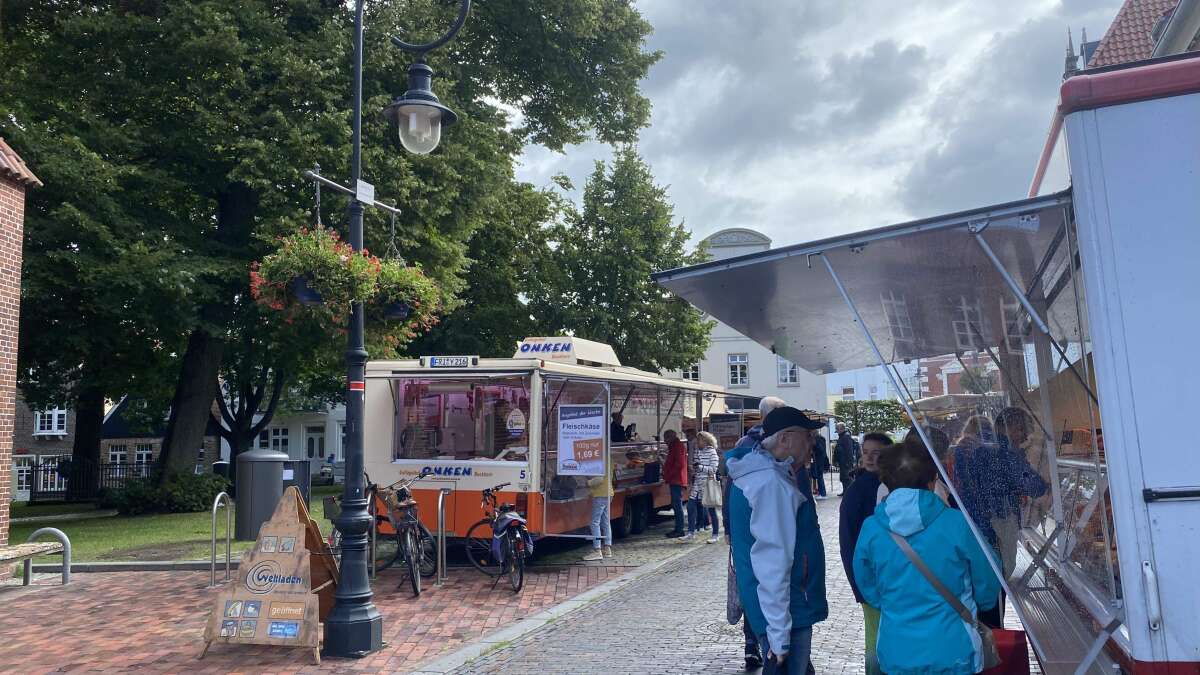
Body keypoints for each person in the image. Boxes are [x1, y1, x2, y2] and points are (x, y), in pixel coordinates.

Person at [853, 437, 1000, 675]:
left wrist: (891, 604)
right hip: (955, 648)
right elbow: (988, 574)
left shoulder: (871, 528)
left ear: (886, 481)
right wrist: (983, 602)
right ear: (933, 482)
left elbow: (866, 582)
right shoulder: (957, 523)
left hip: (897, 648)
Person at [728, 407, 828, 674]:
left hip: (786, 608)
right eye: (808, 436)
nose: (812, 443)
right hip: (789, 609)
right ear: (785, 439)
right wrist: (779, 634)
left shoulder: (764, 475)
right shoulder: (771, 482)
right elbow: (773, 562)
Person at [952, 407, 1048, 628]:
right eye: (1022, 429)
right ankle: (992, 640)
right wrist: (1046, 481)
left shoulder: (973, 448)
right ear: (1010, 427)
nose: (1025, 436)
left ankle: (982, 634)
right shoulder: (1003, 452)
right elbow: (1033, 486)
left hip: (972, 526)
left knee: (976, 588)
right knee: (995, 589)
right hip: (996, 527)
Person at [726, 396, 786, 670]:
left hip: (745, 528)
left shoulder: (743, 443)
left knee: (751, 584)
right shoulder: (770, 446)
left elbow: (730, 487)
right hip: (758, 525)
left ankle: (753, 643)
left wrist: (728, 526)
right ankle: (767, 642)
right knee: (764, 581)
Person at [838, 432, 893, 675]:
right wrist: (858, 585)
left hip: (892, 578)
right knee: (876, 642)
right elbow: (847, 542)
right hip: (870, 581)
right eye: (865, 452)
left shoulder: (894, 484)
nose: (869, 458)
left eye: (876, 453)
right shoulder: (857, 491)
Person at [685, 431, 721, 543]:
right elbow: (698, 467)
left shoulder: (712, 453)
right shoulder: (698, 452)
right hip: (697, 483)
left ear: (705, 441)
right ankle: (691, 532)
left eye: (699, 440)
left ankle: (715, 534)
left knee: (711, 510)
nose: (697, 443)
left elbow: (713, 470)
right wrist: (693, 469)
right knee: (690, 506)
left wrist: (699, 467)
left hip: (707, 484)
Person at [582, 469, 614, 561]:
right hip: (608, 492)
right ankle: (607, 549)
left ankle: (597, 550)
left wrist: (588, 483)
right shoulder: (609, 458)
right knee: (606, 522)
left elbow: (599, 479)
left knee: (594, 523)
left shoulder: (602, 459)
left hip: (601, 494)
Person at [662, 429, 689, 538]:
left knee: (677, 505)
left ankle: (679, 529)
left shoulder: (677, 446)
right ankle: (678, 528)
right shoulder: (676, 446)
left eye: (665, 438)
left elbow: (679, 464)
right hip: (676, 479)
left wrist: (669, 474)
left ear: (670, 437)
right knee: (676, 504)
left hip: (676, 479)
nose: (664, 441)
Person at [834, 423, 859, 495]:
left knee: (847, 478)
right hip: (843, 461)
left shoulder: (846, 437)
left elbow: (849, 450)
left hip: (845, 462)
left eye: (837, 429)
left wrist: (849, 462)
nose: (836, 430)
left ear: (842, 429)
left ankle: (850, 492)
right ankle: (845, 491)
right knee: (843, 478)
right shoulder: (842, 437)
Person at [810, 432, 830, 500]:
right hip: (820, 460)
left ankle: (822, 493)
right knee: (819, 477)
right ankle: (821, 492)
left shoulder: (818, 440)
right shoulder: (822, 439)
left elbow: (820, 450)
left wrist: (815, 445)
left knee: (819, 477)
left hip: (818, 461)